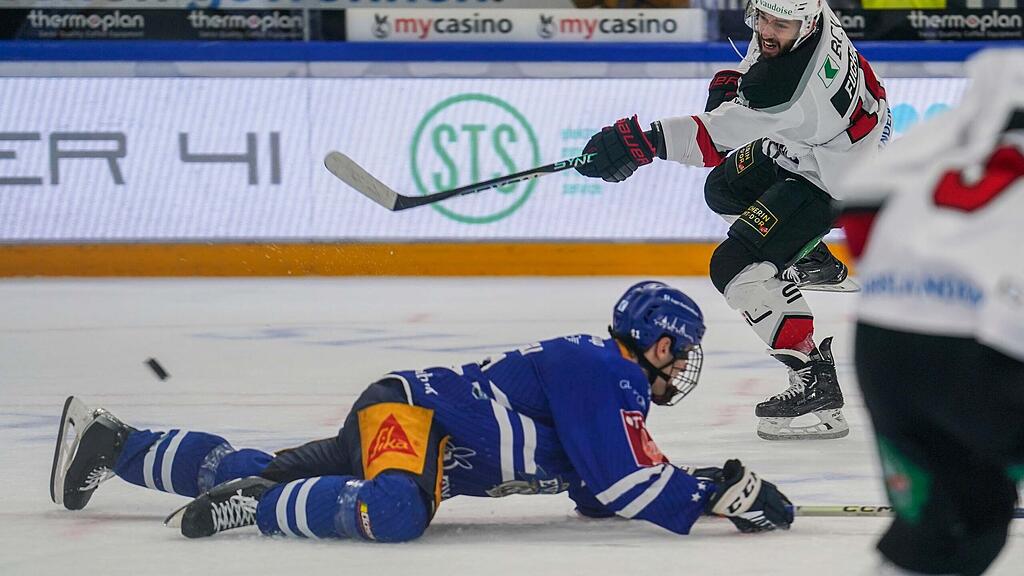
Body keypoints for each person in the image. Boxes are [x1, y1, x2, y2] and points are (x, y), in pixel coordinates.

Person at [50, 281, 794, 542]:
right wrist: (714, 495)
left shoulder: (602, 380)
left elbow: (604, 491)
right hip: (416, 417)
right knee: (396, 512)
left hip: (412, 423)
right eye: (683, 347)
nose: (684, 363)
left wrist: (711, 489)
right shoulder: (608, 372)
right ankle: (258, 510)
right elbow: (630, 486)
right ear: (660, 342)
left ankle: (117, 445)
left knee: (280, 468)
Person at [574, 0, 891, 440]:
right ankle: (812, 258)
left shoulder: (785, 87)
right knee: (724, 188)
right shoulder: (809, 19)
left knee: (734, 270)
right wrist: (732, 89)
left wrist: (638, 143)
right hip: (823, 140)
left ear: (807, 23)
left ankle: (816, 379)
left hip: (832, 179)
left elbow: (710, 142)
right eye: (763, 17)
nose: (768, 30)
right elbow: (747, 87)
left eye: (781, 24)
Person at [837, 49, 1024, 576]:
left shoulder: (948, 130)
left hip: (886, 342)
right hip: (992, 349)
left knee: (949, 522)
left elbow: (858, 204)